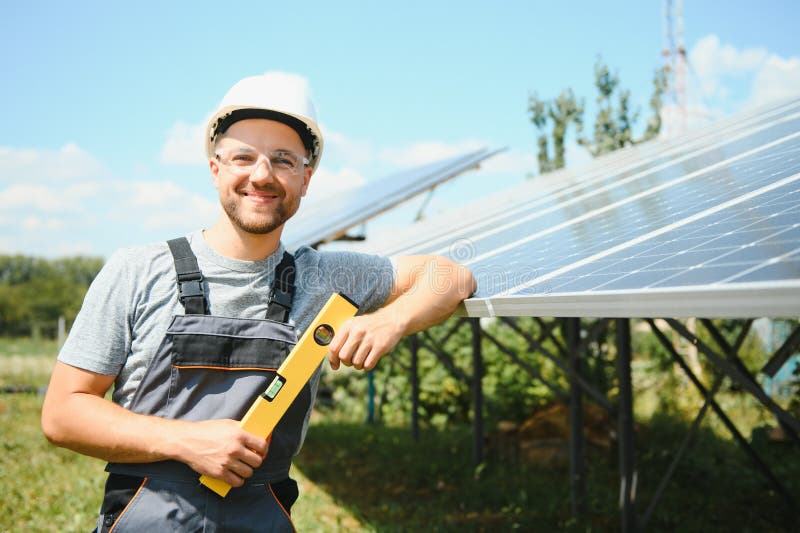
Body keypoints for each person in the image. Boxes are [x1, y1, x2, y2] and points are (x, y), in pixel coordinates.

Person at [40, 72, 476, 532]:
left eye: (283, 161)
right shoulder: (137, 271)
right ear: (216, 169)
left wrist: (390, 322)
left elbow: (451, 274)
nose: (262, 175)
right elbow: (63, 412)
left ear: (306, 179)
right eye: (244, 157)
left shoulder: (325, 275)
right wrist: (185, 441)